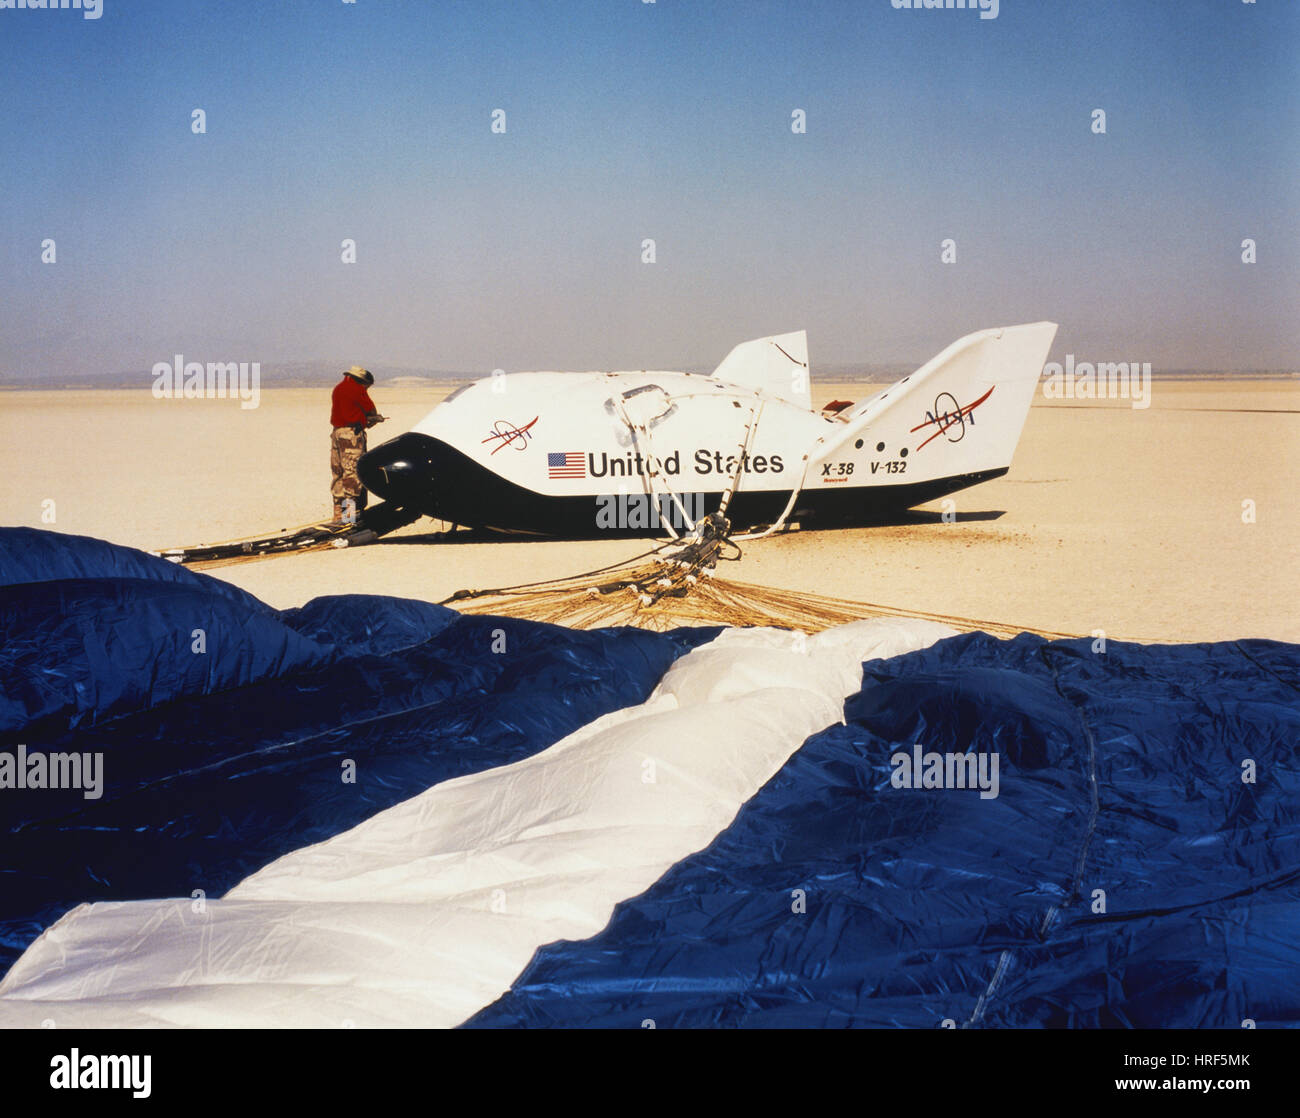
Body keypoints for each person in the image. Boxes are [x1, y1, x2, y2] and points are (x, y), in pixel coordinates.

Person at [329, 366, 385, 522]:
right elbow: (371, 411)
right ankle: (349, 517)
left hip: (337, 433)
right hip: (351, 436)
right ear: (363, 381)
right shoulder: (357, 390)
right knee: (352, 475)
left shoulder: (339, 388)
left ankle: (338, 514)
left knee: (338, 473)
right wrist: (375, 418)